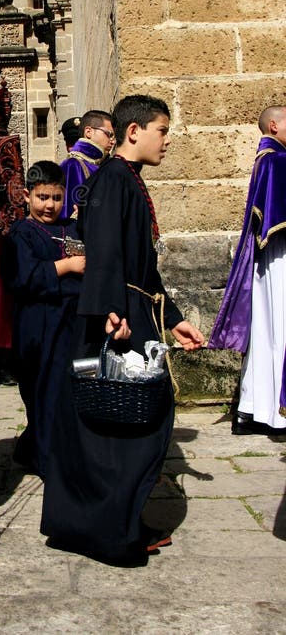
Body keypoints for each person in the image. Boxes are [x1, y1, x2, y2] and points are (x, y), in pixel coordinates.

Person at [41, 94, 205, 565]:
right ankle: (107, 530)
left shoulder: (127, 179)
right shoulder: (113, 179)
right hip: (118, 319)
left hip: (132, 308)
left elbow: (142, 265)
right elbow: (104, 249)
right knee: (123, 428)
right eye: (162, 130)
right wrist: (110, 310)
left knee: (136, 425)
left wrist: (174, 320)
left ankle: (116, 521)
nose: (167, 141)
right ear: (134, 131)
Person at [2, 161, 85, 478]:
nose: (50, 205)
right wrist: (67, 267)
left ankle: (37, 447)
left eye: (56, 198)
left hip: (70, 322)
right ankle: (46, 460)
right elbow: (21, 278)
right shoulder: (22, 233)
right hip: (38, 325)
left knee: (64, 391)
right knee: (42, 392)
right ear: (27, 196)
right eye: (43, 197)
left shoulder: (71, 229)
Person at [208, 105, 286, 435]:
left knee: (267, 333)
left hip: (271, 257)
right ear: (273, 126)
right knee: (279, 331)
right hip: (280, 255)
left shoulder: (266, 158)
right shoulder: (277, 160)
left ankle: (253, 409)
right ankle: (276, 414)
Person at [60, 109, 115, 218]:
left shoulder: (105, 164)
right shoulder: (73, 165)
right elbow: (67, 214)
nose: (113, 141)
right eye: (109, 134)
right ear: (88, 132)